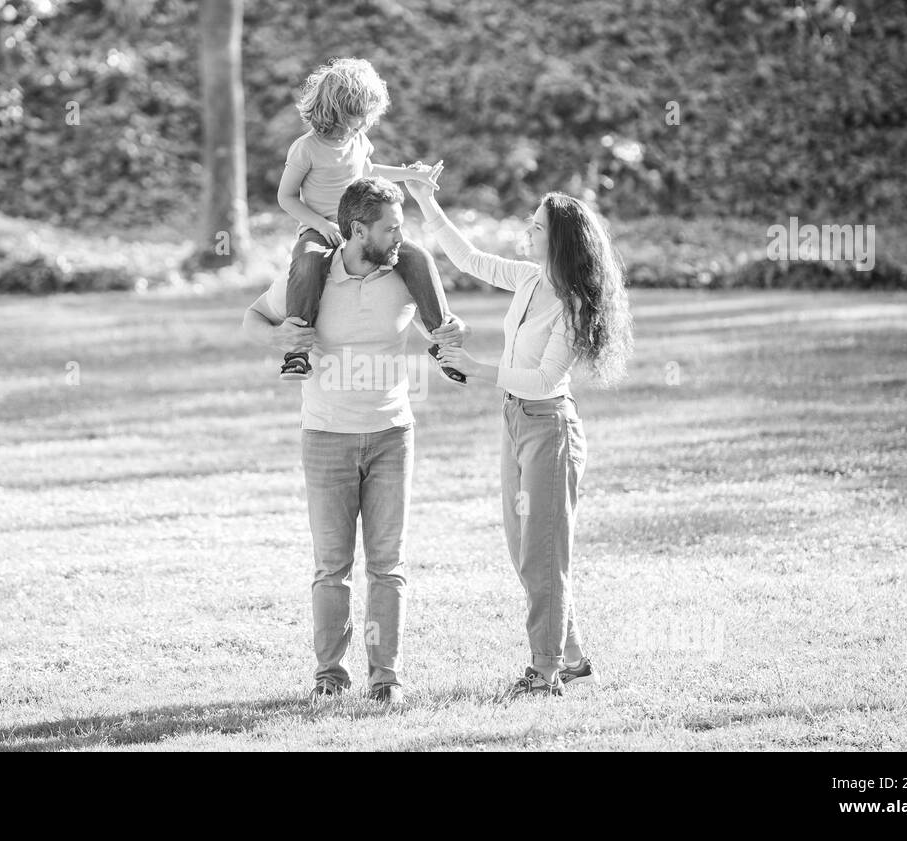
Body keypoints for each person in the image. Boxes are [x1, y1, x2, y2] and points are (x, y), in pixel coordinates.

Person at [404, 166, 634, 697]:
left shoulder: (573, 304)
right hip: (515, 421)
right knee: (523, 547)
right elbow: (468, 259)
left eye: (535, 228)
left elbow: (544, 378)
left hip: (549, 427)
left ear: (558, 241)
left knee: (543, 553)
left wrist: (474, 366)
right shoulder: (531, 279)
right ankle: (571, 657)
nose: (525, 234)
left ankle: (544, 671)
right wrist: (425, 201)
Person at [242, 177, 468, 706]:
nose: (400, 236)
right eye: (391, 227)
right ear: (358, 230)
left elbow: (445, 325)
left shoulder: (407, 272)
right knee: (332, 567)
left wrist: (452, 340)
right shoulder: (313, 275)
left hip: (392, 434)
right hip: (326, 436)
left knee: (388, 564)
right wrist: (278, 337)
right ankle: (330, 674)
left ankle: (385, 676)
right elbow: (252, 318)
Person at [275, 57, 466, 385]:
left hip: (363, 227)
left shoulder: (357, 141)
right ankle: (297, 353)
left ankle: (442, 342)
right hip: (321, 228)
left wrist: (409, 172)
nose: (364, 122)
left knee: (417, 257)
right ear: (336, 108)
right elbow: (286, 197)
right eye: (358, 114)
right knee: (307, 262)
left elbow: (369, 171)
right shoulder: (305, 149)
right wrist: (321, 226)